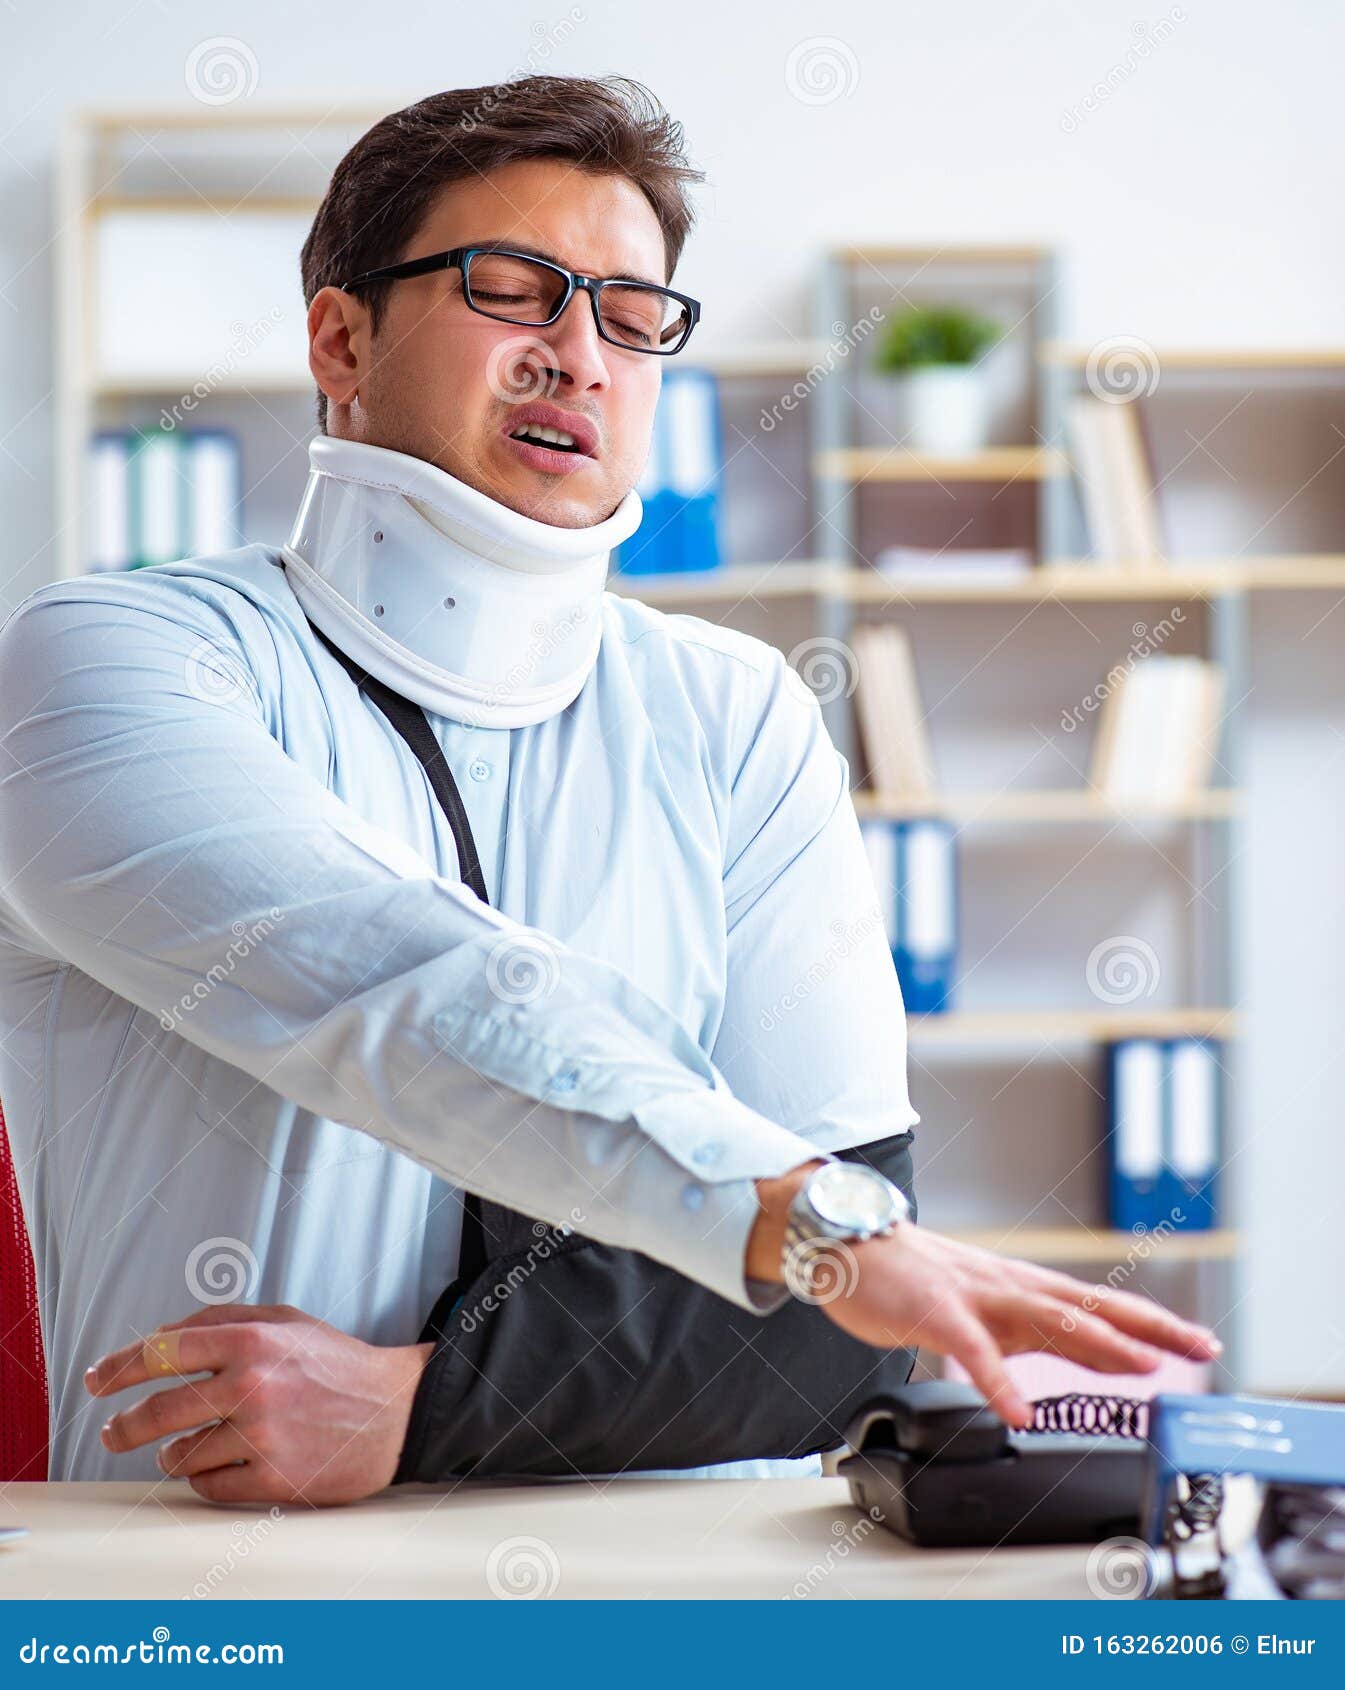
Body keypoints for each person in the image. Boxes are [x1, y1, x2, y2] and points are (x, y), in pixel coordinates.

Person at [0, 76, 1219, 1505]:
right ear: (341, 335)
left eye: (632, 318)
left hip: (653, 1592)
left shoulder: (738, 713)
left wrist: (423, 1410)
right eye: (510, 291)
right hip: (194, 1584)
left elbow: (822, 1341)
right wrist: (812, 1222)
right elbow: (384, 981)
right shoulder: (108, 662)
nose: (577, 353)